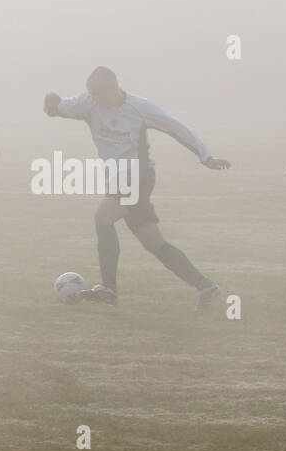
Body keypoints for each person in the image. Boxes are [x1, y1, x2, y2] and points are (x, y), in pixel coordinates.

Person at [43, 66, 229, 309]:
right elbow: (61, 107)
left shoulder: (140, 108)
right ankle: (205, 286)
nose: (96, 99)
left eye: (99, 94)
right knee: (153, 243)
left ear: (114, 88)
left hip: (138, 174)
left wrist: (206, 157)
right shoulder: (89, 103)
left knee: (103, 218)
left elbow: (175, 127)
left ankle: (109, 287)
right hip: (118, 179)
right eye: (92, 94)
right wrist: (52, 105)